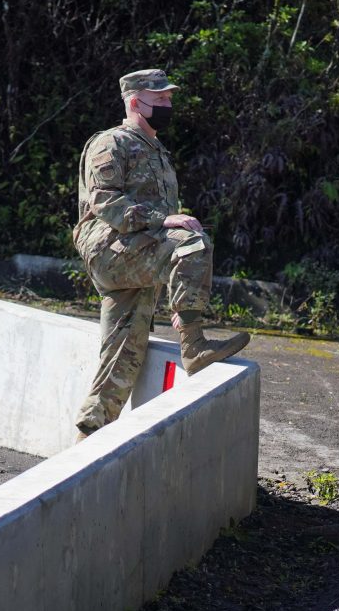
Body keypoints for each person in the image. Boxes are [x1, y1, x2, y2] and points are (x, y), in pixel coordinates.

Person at [72, 69, 249, 437]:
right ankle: (194, 344)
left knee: (122, 355)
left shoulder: (156, 149)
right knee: (192, 244)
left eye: (169, 98)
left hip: (138, 252)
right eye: (161, 99)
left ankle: (87, 441)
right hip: (111, 249)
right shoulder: (111, 142)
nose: (169, 105)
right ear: (136, 102)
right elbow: (106, 202)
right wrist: (165, 219)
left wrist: (164, 223)